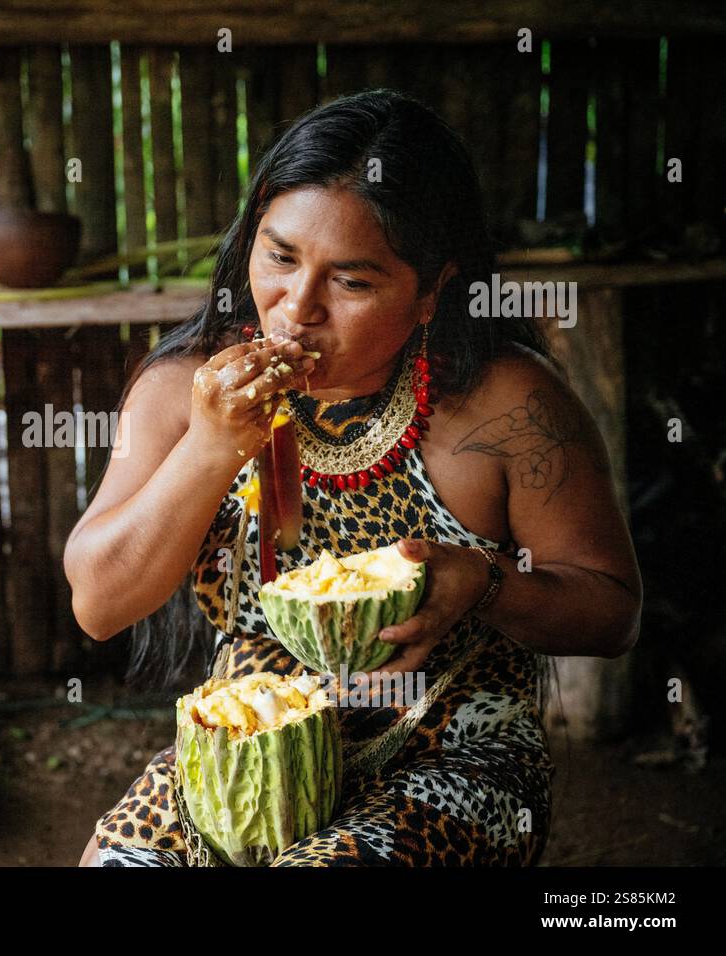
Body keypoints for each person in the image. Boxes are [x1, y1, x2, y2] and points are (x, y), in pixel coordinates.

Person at [65, 90, 642, 866]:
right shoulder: (183, 393)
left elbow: (611, 614)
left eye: (352, 282)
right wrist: (208, 448)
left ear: (432, 290)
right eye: (279, 257)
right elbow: (99, 604)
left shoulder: (509, 406)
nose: (296, 309)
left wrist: (487, 583)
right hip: (243, 749)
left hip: (452, 757)